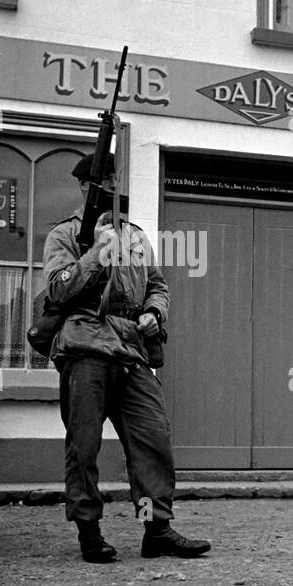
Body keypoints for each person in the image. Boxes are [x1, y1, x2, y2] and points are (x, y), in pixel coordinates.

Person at [43, 153, 209, 563]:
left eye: (118, 179)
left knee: (152, 439)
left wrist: (154, 312)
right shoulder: (64, 235)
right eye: (106, 180)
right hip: (85, 346)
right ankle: (89, 534)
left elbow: (157, 285)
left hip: (131, 349)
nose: (115, 186)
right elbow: (58, 290)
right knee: (84, 447)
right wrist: (96, 252)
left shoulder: (134, 236)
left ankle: (156, 530)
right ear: (86, 186)